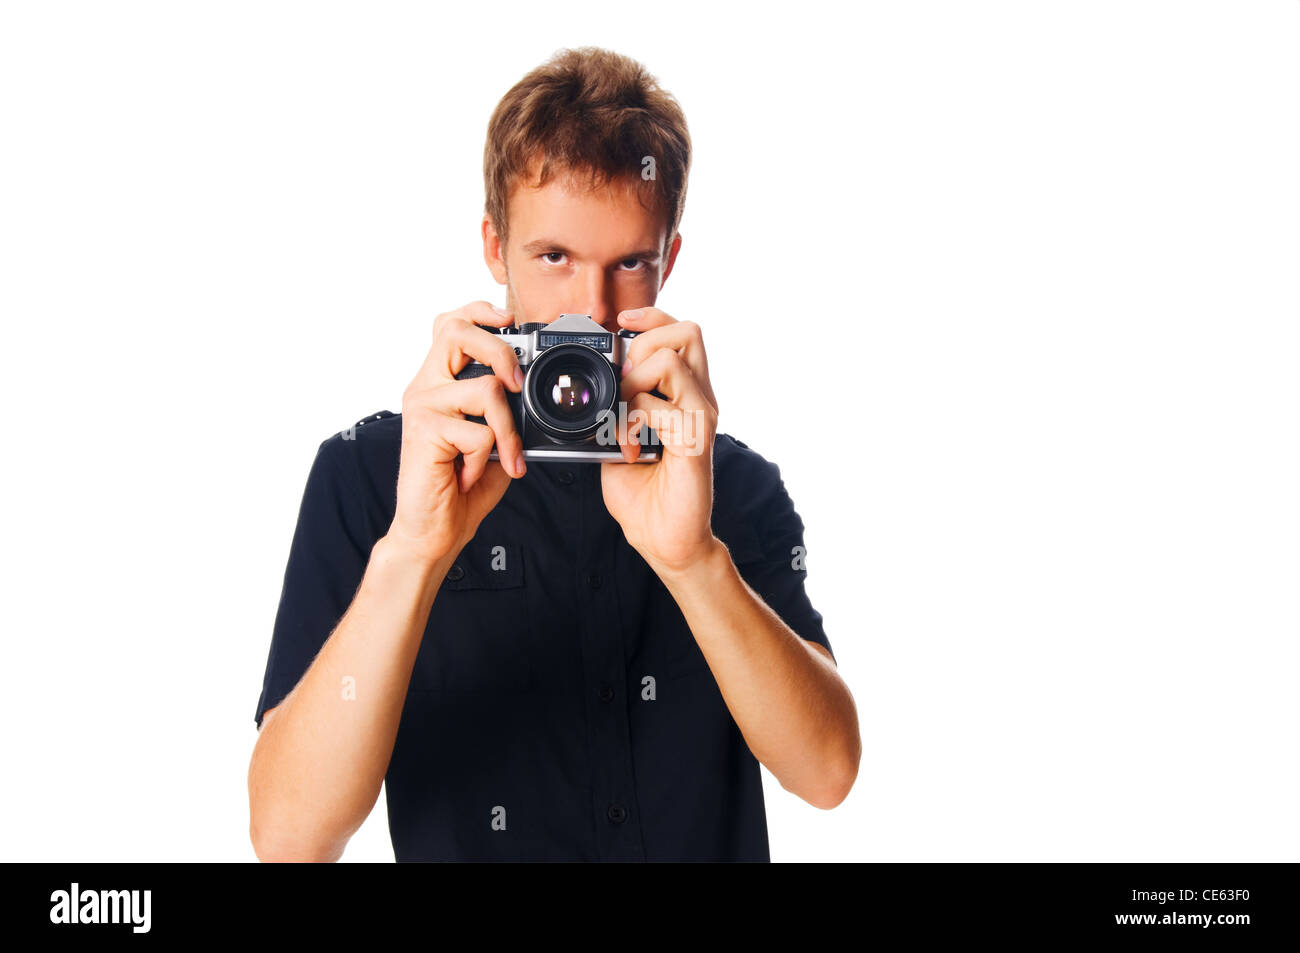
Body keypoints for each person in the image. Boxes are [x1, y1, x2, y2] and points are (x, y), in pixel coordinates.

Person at [248, 46, 860, 862]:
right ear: (495, 250)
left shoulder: (729, 481)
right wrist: (417, 552)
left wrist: (694, 561)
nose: (591, 309)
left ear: (669, 260)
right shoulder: (371, 476)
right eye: (554, 258)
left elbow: (827, 773)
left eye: (629, 264)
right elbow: (288, 837)